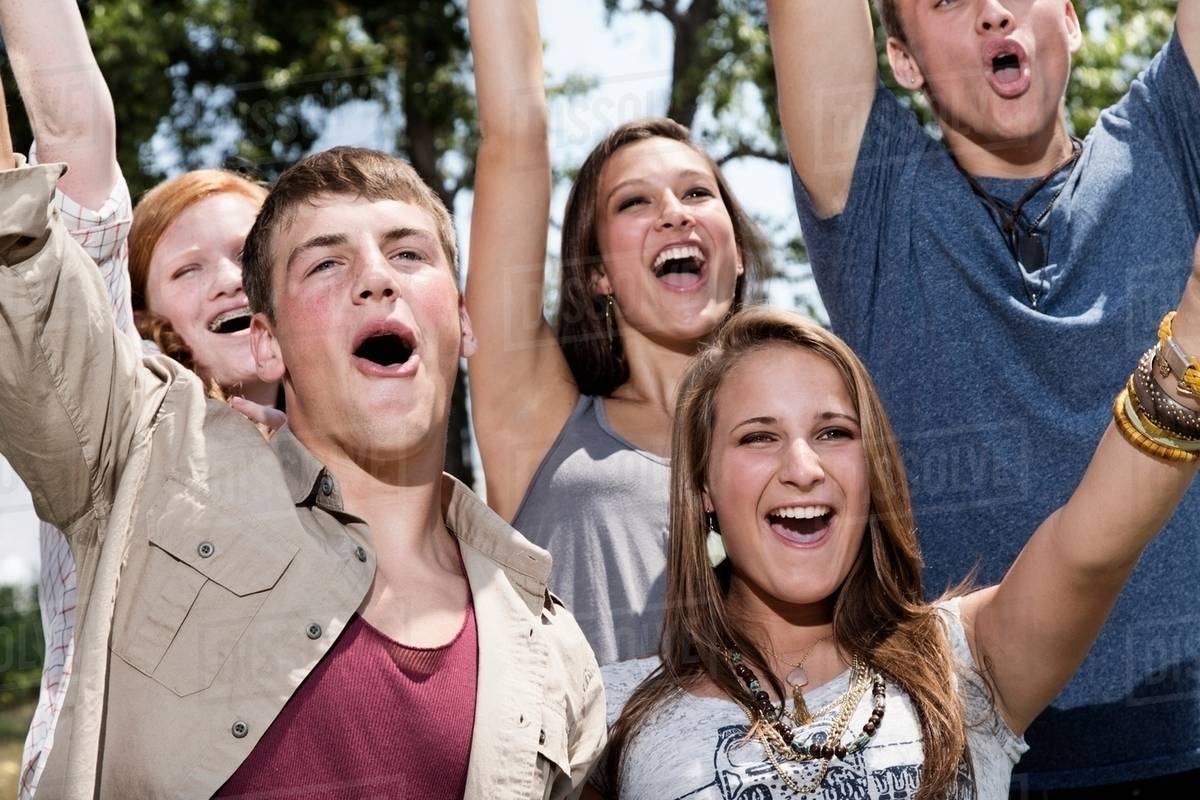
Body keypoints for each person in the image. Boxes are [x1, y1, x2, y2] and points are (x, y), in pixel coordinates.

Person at [0, 120, 604, 797]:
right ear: (266, 342)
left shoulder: (554, 654)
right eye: (325, 263)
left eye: (408, 253)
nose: (376, 278)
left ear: (462, 320)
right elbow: (17, 247)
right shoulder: (145, 455)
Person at [766, 0, 1200, 793]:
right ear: (903, 60)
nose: (994, 12)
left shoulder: (1170, 135)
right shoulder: (878, 201)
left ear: (1069, 18)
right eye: (947, 0)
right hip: (976, 759)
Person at [595, 270, 1200, 798]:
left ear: (871, 471)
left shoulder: (968, 661)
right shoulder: (611, 716)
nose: (804, 467)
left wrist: (1193, 333)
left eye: (833, 432)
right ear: (704, 487)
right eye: (759, 437)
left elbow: (1093, 548)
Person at [466, 0, 770, 665]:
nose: (674, 213)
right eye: (635, 201)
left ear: (738, 253)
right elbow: (515, 136)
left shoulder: (801, 437)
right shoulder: (542, 421)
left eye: (697, 194)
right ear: (598, 273)